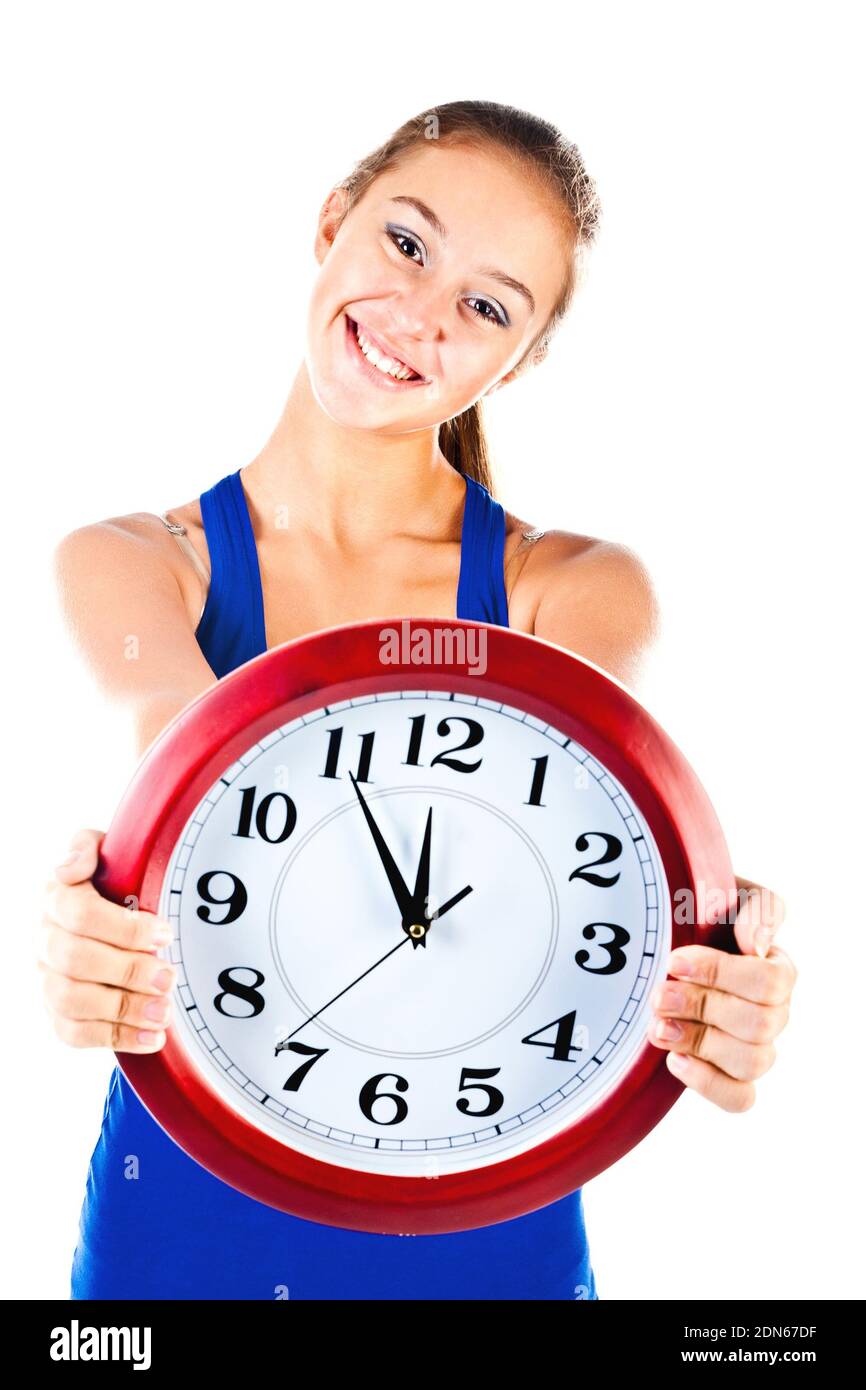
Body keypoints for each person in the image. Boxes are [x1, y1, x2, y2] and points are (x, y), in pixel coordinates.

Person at [41, 100, 797, 1300]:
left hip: (489, 1243)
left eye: (486, 305)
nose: (419, 317)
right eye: (406, 242)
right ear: (332, 220)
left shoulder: (575, 590)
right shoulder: (132, 563)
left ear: (521, 357)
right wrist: (84, 938)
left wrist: (714, 955)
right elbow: (173, 776)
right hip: (181, 1236)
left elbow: (621, 841)